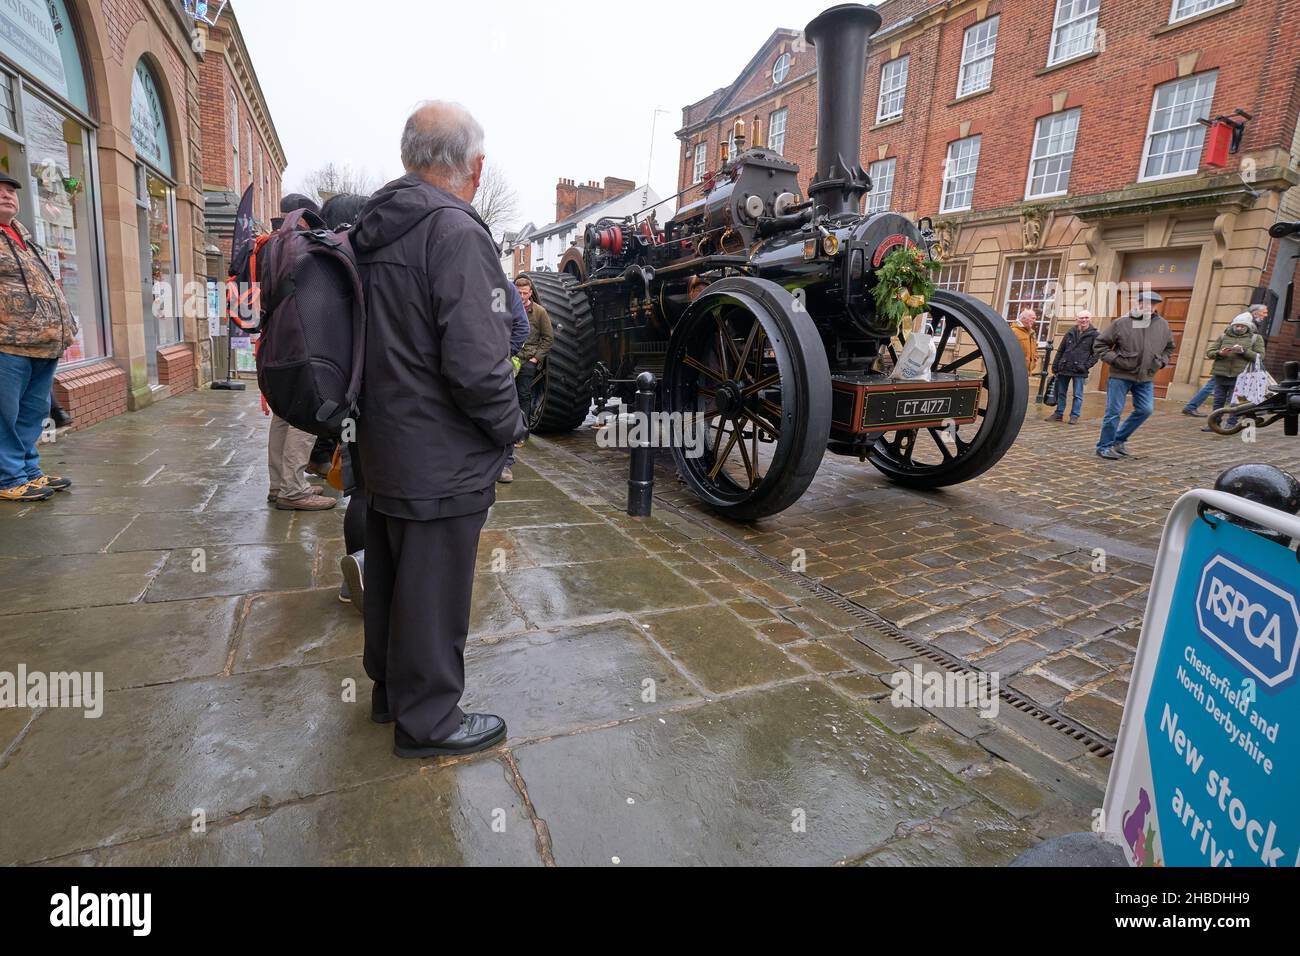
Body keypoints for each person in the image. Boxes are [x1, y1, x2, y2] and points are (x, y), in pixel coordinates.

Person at [351, 101, 525, 758]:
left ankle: (391, 695)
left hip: (386, 444)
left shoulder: (378, 225)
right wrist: (510, 426)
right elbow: (479, 363)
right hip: (440, 453)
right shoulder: (455, 232)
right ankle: (428, 722)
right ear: (474, 168)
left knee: (393, 578)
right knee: (434, 588)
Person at [0, 172, 76, 503]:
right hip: (8, 343)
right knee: (5, 416)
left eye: (11, 190)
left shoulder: (23, 236)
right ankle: (8, 478)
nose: (7, 195)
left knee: (32, 413)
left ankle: (29, 471)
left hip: (43, 343)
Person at [263, 195, 337, 512]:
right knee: (305, 413)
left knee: (283, 414)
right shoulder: (307, 247)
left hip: (278, 340)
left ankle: (279, 484)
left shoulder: (274, 245)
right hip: (304, 343)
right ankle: (294, 489)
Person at [1094, 290, 1174, 460]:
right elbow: (1100, 344)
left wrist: (1161, 362)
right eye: (1143, 303)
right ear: (1137, 304)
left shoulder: (1163, 325)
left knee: (1145, 410)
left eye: (1151, 305)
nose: (1147, 307)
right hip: (1120, 375)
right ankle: (1104, 446)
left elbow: (1169, 347)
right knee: (1114, 412)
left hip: (1145, 377)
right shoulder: (1121, 323)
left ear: (1155, 307)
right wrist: (1116, 360)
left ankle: (1119, 439)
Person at [1201, 313, 1265, 433]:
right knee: (1218, 401)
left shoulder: (1255, 338)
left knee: (1236, 402)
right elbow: (1210, 352)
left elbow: (1260, 357)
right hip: (1221, 374)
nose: (1239, 328)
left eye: (1242, 326)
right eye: (1237, 325)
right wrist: (1220, 353)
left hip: (1241, 377)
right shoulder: (1223, 337)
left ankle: (1232, 424)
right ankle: (1214, 424)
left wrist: (1244, 351)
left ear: (1248, 326)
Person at [511, 274, 552, 447]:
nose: (521, 296)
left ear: (530, 293)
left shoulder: (539, 312)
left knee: (524, 396)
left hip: (528, 360)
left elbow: (548, 338)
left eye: (525, 293)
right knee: (508, 395)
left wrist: (536, 358)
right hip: (511, 358)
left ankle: (522, 434)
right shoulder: (509, 309)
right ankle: (509, 432)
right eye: (518, 293)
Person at [498, 281, 530, 484]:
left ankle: (505, 464)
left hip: (497, 364)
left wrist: (503, 354)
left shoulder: (505, 289)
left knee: (506, 412)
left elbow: (521, 327)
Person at [1048, 311, 1097, 424]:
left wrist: (1085, 366)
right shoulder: (1070, 332)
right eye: (1081, 318)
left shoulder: (1094, 335)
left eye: (1086, 318)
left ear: (1090, 319)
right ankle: (1059, 413)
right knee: (1061, 392)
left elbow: (1096, 354)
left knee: (1077, 394)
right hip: (1064, 367)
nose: (1084, 320)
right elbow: (1060, 350)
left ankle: (1074, 415)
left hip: (1079, 370)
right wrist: (1055, 365)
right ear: (1077, 319)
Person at [1011, 309, 1040, 378]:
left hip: (1027, 370)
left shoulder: (1032, 333)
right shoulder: (1013, 331)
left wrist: (1034, 359)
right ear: (1024, 318)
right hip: (1015, 369)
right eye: (1032, 318)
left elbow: (1035, 347)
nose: (1034, 321)